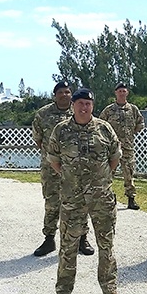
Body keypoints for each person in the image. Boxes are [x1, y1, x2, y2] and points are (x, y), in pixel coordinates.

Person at [47, 88, 123, 294]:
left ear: (92, 106)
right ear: (73, 105)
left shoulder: (104, 129)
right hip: (73, 199)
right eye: (80, 103)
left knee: (106, 244)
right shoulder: (61, 131)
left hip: (101, 198)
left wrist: (100, 180)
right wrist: (72, 180)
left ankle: (109, 289)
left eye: (88, 104)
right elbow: (54, 160)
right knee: (68, 247)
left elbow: (115, 157)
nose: (84, 107)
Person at [31, 81, 94, 257]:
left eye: (67, 92)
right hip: (51, 169)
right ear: (55, 94)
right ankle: (49, 239)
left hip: (77, 169)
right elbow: (39, 140)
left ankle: (82, 238)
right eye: (61, 92)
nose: (64, 95)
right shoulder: (43, 114)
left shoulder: (78, 111)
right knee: (52, 203)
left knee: (80, 203)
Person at [99, 82, 145, 210]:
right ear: (116, 93)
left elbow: (140, 123)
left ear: (127, 93)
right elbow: (100, 125)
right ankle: (107, 198)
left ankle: (131, 199)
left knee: (129, 173)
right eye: (119, 91)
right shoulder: (109, 110)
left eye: (124, 91)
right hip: (111, 147)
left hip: (128, 147)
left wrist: (130, 133)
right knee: (108, 173)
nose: (122, 93)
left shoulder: (133, 109)